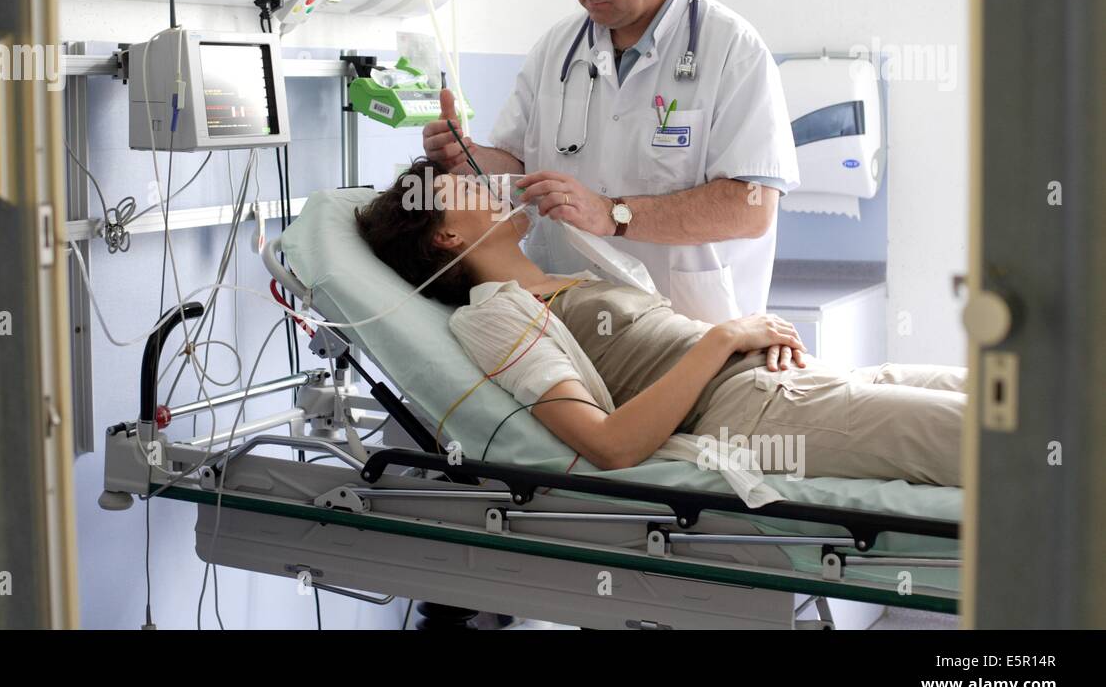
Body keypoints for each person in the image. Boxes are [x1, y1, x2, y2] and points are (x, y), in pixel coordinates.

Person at [355, 159, 965, 485]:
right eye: (466, 185)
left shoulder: (557, 275)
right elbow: (609, 444)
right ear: (447, 235)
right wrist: (728, 337)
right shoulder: (492, 315)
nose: (489, 182)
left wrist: (754, 337)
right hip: (756, 414)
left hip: (789, 381)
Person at [423, 0, 800, 324]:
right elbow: (521, 170)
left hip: (696, 328)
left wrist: (614, 214)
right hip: (574, 324)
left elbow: (750, 207)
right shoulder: (555, 50)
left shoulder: (732, 50)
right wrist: (471, 158)